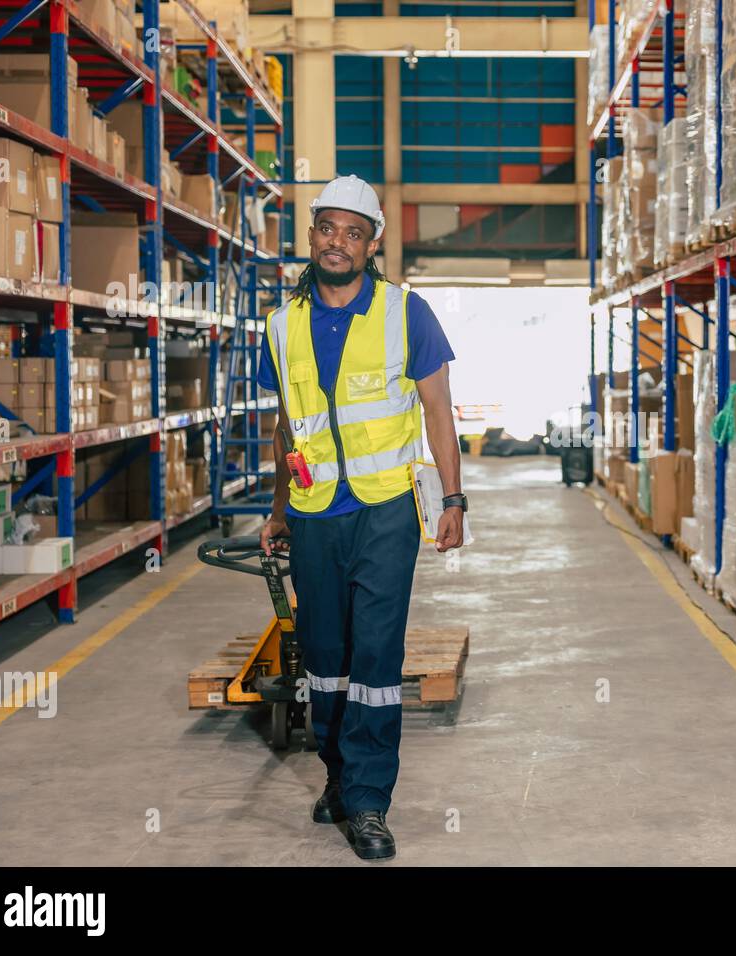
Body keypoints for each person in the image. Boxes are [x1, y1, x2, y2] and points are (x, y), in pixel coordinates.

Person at [256, 174, 466, 861]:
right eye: (328, 228)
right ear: (312, 234)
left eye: (354, 232)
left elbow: (438, 410)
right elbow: (287, 422)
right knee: (323, 657)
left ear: (373, 243)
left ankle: (371, 799)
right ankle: (339, 777)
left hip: (385, 512)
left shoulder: (408, 313)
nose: (338, 242)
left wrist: (453, 501)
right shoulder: (281, 324)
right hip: (316, 513)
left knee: (374, 655)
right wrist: (281, 507)